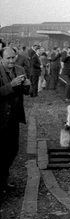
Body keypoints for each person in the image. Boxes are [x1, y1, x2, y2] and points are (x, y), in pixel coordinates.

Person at [0, 46, 31, 191]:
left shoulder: (20, 70)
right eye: (8, 58)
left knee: (12, 149)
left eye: (14, 57)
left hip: (14, 116)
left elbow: (25, 92)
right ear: (1, 59)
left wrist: (27, 87)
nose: (12, 61)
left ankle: (3, 179)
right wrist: (11, 85)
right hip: (0, 117)